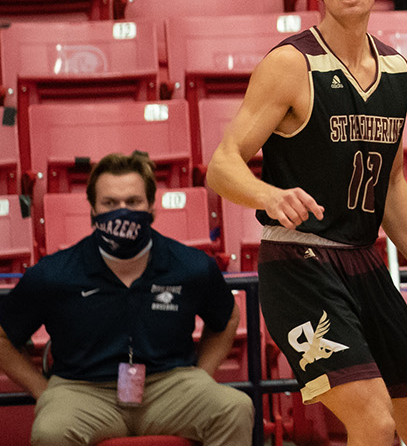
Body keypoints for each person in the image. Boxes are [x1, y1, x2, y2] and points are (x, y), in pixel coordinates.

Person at [205, 0, 407, 446]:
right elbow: (222, 165)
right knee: (372, 420)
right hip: (299, 263)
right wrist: (269, 195)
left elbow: (391, 184)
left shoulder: (397, 71)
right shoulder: (291, 64)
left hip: (363, 261)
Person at [0, 153, 252, 446]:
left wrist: (203, 375)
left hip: (169, 386)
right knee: (51, 430)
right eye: (110, 203)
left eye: (133, 202)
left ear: (151, 207)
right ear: (93, 210)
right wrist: (41, 390)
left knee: (235, 407)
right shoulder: (54, 273)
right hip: (82, 390)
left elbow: (228, 317)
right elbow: (4, 336)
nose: (122, 212)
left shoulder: (190, 266)